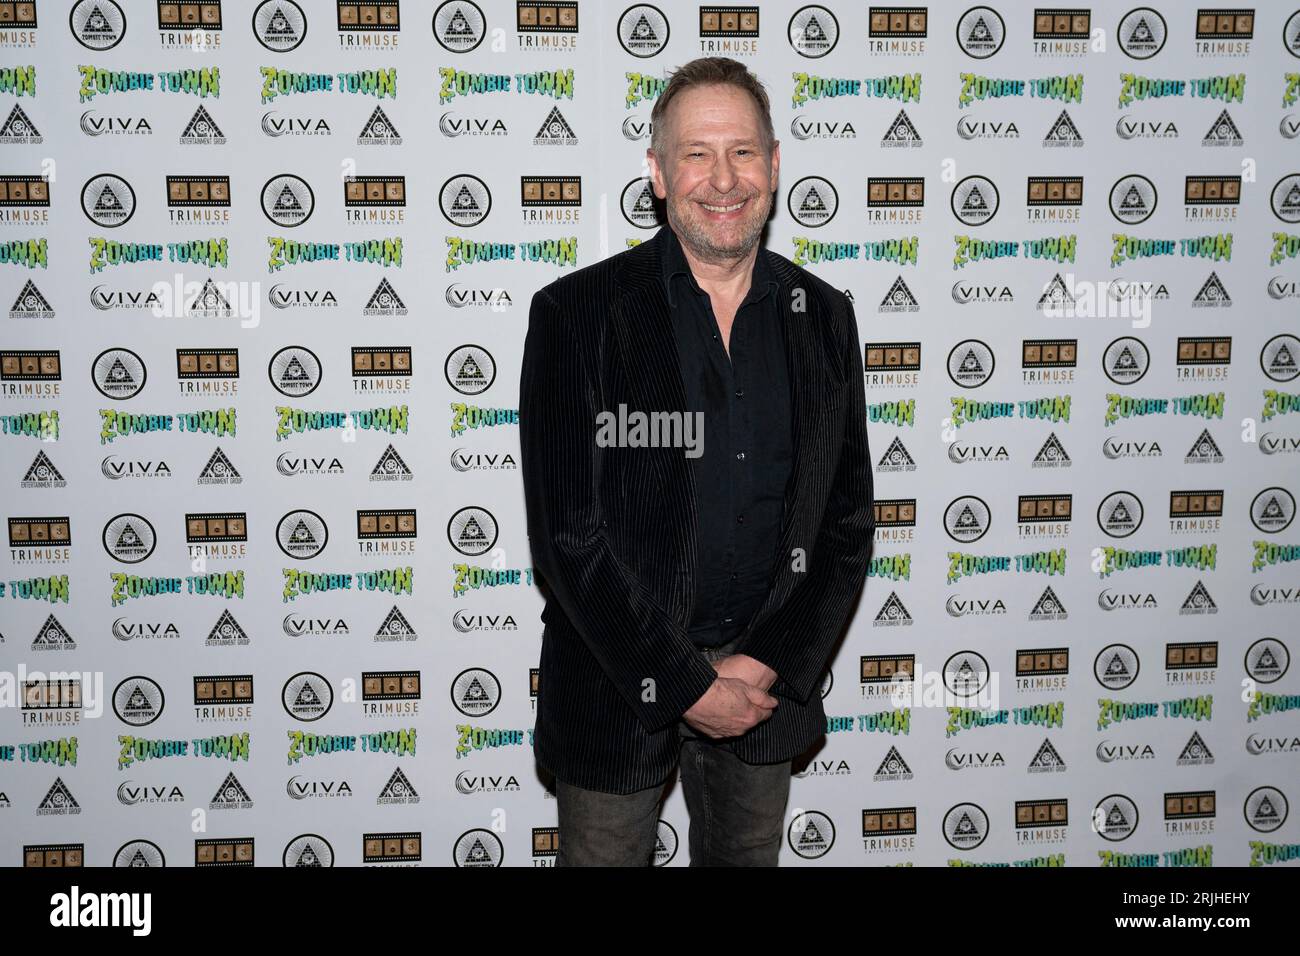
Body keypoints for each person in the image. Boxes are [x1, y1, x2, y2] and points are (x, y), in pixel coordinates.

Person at [518, 56, 874, 866]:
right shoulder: (576, 315)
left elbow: (847, 522)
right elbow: (569, 539)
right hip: (616, 689)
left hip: (762, 690)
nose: (723, 179)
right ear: (657, 172)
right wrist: (686, 685)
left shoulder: (822, 316)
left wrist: (764, 666)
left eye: (743, 152)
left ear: (776, 166)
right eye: (696, 153)